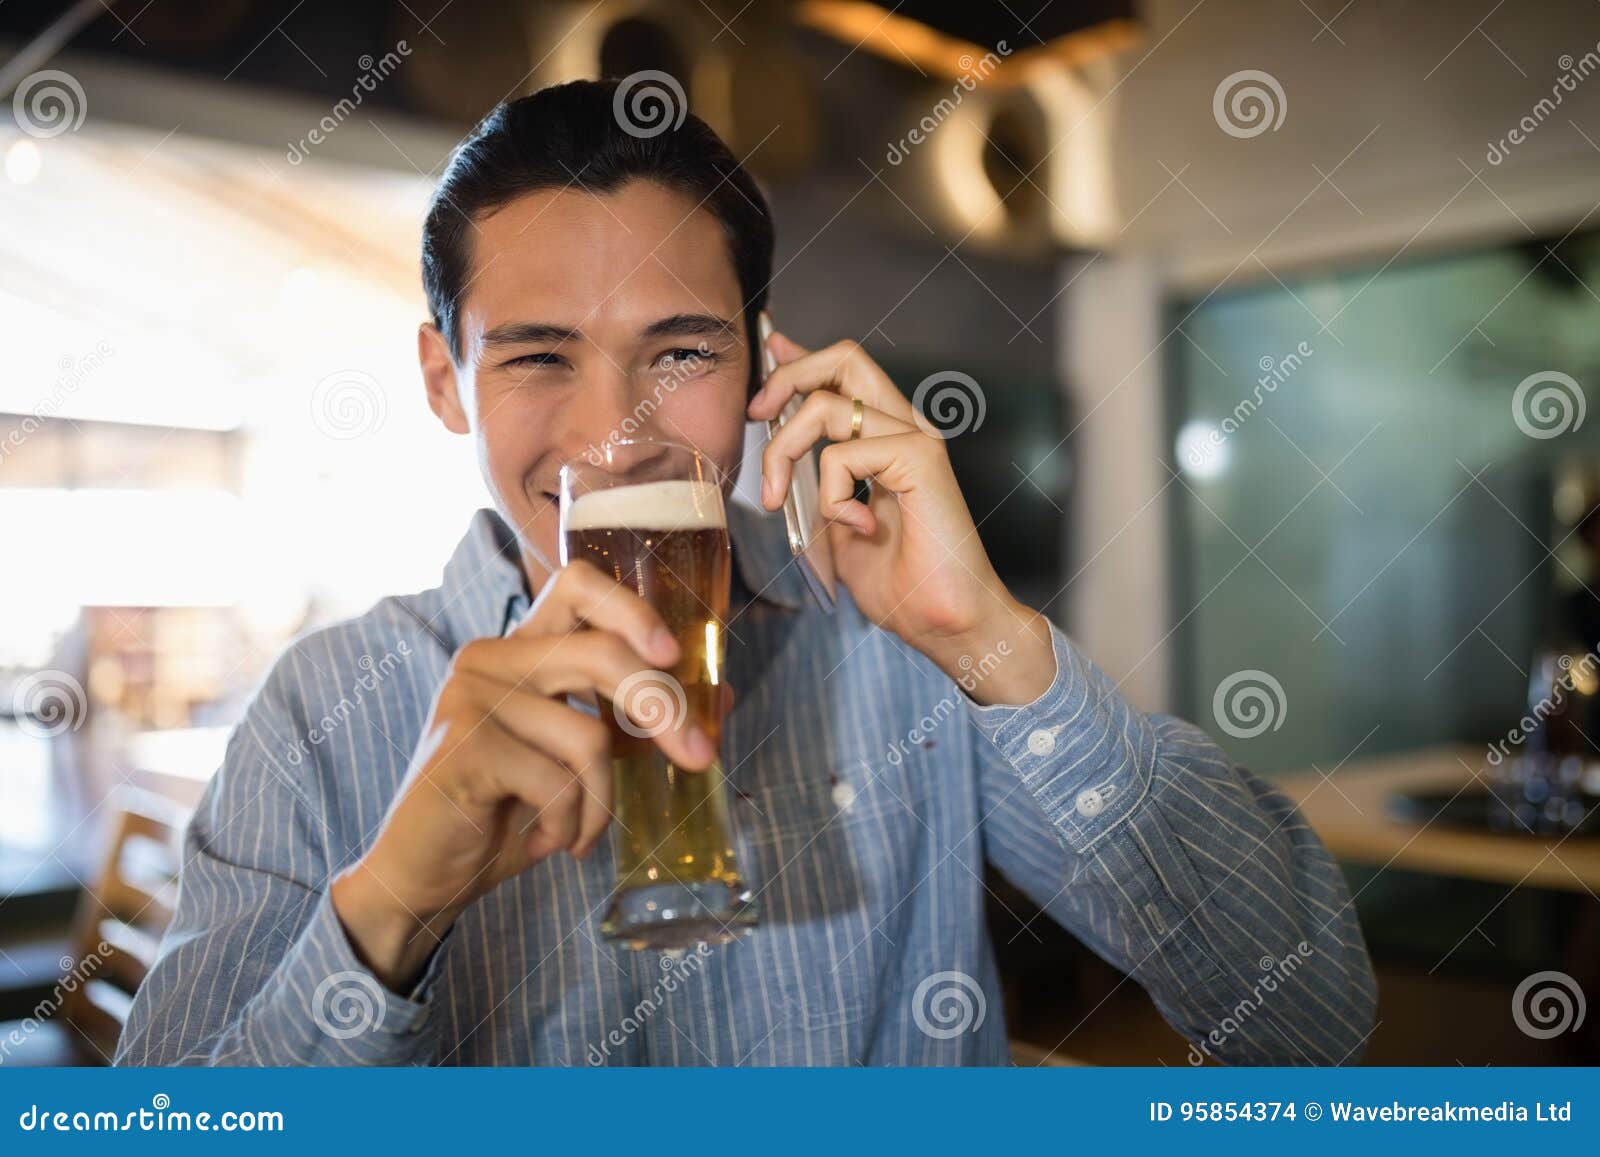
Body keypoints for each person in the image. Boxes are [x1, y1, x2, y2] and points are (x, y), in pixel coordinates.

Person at [117, 79, 1375, 1066]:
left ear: (765, 367)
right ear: (446, 381)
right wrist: (390, 906)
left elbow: (1308, 1016)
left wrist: (983, 635)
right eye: (539, 357)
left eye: (679, 354)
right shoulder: (320, 715)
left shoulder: (889, 637)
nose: (616, 436)